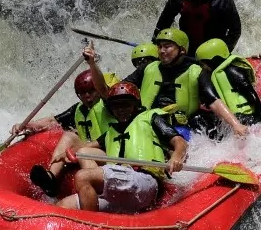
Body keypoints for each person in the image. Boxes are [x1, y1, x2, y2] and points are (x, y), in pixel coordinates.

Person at [56, 82, 188, 213]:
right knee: (63, 205)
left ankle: (92, 225)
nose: (120, 110)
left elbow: (180, 142)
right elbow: (86, 148)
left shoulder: (150, 118)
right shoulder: (111, 132)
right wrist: (66, 154)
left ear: (135, 105)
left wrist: (175, 157)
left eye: (126, 105)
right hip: (120, 188)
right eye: (116, 107)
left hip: (144, 181)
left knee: (83, 177)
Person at [103, 27, 251, 137]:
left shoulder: (196, 70)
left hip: (183, 126)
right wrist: (92, 64)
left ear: (182, 50)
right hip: (147, 122)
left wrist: (236, 125)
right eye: (159, 46)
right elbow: (118, 90)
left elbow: (213, 100)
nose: (161, 51)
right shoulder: (148, 68)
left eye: (167, 46)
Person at [12, 46, 114, 197]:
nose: (87, 97)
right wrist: (26, 125)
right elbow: (53, 121)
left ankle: (96, 192)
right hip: (87, 152)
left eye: (91, 91)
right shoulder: (78, 109)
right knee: (68, 136)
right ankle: (51, 178)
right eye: (82, 93)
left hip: (109, 153)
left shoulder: (109, 104)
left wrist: (92, 63)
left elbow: (104, 88)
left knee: (83, 151)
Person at [193, 38, 261, 136]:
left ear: (213, 60)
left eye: (203, 62)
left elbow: (251, 95)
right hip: (238, 116)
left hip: (249, 117)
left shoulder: (233, 71)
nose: (203, 66)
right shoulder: (219, 73)